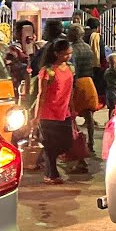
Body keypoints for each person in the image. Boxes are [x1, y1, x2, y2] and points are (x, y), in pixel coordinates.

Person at [33, 39, 74, 185]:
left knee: (66, 143)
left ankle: (46, 162)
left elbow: (71, 92)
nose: (68, 56)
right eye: (65, 54)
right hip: (48, 114)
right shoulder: (47, 71)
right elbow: (41, 95)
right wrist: (36, 117)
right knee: (50, 146)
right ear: (56, 53)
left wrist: (73, 111)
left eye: (70, 53)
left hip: (64, 112)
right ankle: (51, 175)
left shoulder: (70, 69)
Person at [66, 25, 100, 169]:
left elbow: (73, 69)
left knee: (71, 117)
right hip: (89, 82)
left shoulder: (72, 49)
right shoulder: (87, 47)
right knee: (89, 116)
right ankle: (91, 143)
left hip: (78, 83)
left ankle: (75, 146)